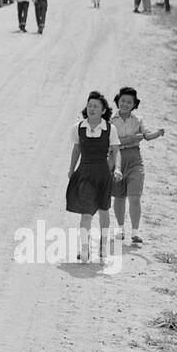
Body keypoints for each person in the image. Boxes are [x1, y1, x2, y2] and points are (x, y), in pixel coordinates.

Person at [66, 91, 122, 262]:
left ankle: (103, 248)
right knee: (86, 213)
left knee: (104, 211)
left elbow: (115, 151)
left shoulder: (110, 129)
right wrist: (71, 169)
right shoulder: (78, 127)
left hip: (103, 174)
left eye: (96, 106)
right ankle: (84, 249)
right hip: (84, 172)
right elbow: (76, 149)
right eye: (89, 105)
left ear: (103, 110)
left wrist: (117, 168)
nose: (91, 108)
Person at [110, 86, 165, 245]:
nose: (125, 104)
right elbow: (109, 142)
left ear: (134, 104)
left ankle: (135, 232)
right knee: (119, 197)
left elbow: (146, 135)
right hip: (117, 160)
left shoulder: (138, 120)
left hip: (135, 160)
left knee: (135, 196)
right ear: (117, 101)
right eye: (122, 101)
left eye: (129, 102)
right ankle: (120, 229)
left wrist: (158, 133)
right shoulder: (110, 120)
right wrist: (131, 139)